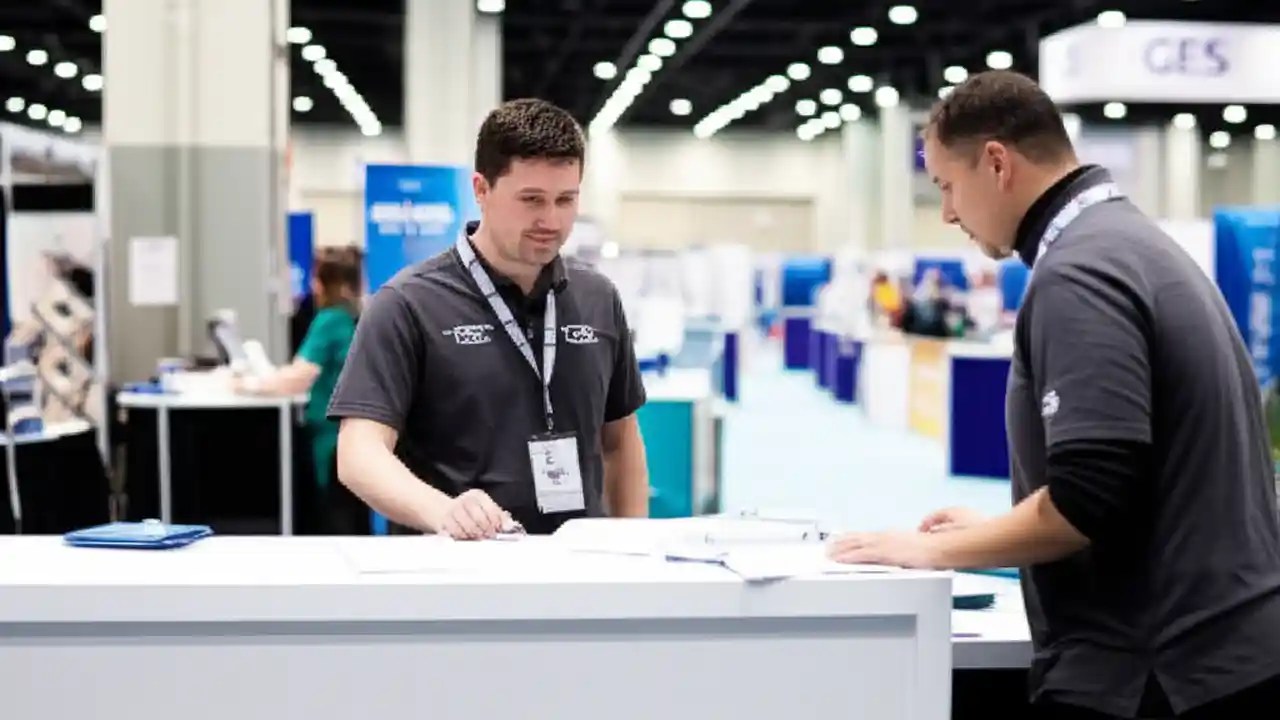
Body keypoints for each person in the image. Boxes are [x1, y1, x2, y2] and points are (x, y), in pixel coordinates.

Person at [827, 70, 1280, 718]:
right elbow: (1137, 485)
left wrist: (927, 550)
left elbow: (1089, 500)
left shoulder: (1080, 272)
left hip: (1159, 670)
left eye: (947, 187)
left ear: (996, 163)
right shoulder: (1134, 245)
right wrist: (998, 532)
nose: (949, 212)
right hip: (1214, 653)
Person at [328, 98, 650, 539]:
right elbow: (359, 452)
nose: (550, 220)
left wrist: (633, 545)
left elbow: (620, 441)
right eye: (531, 200)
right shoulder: (408, 304)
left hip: (580, 572)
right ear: (481, 190)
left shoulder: (598, 298)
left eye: (565, 200)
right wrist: (443, 511)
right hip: (457, 574)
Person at [235, 249, 367, 534]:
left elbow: (297, 378)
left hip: (328, 440)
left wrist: (247, 385)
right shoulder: (354, 318)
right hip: (349, 438)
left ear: (324, 283)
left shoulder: (330, 320)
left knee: (335, 519)